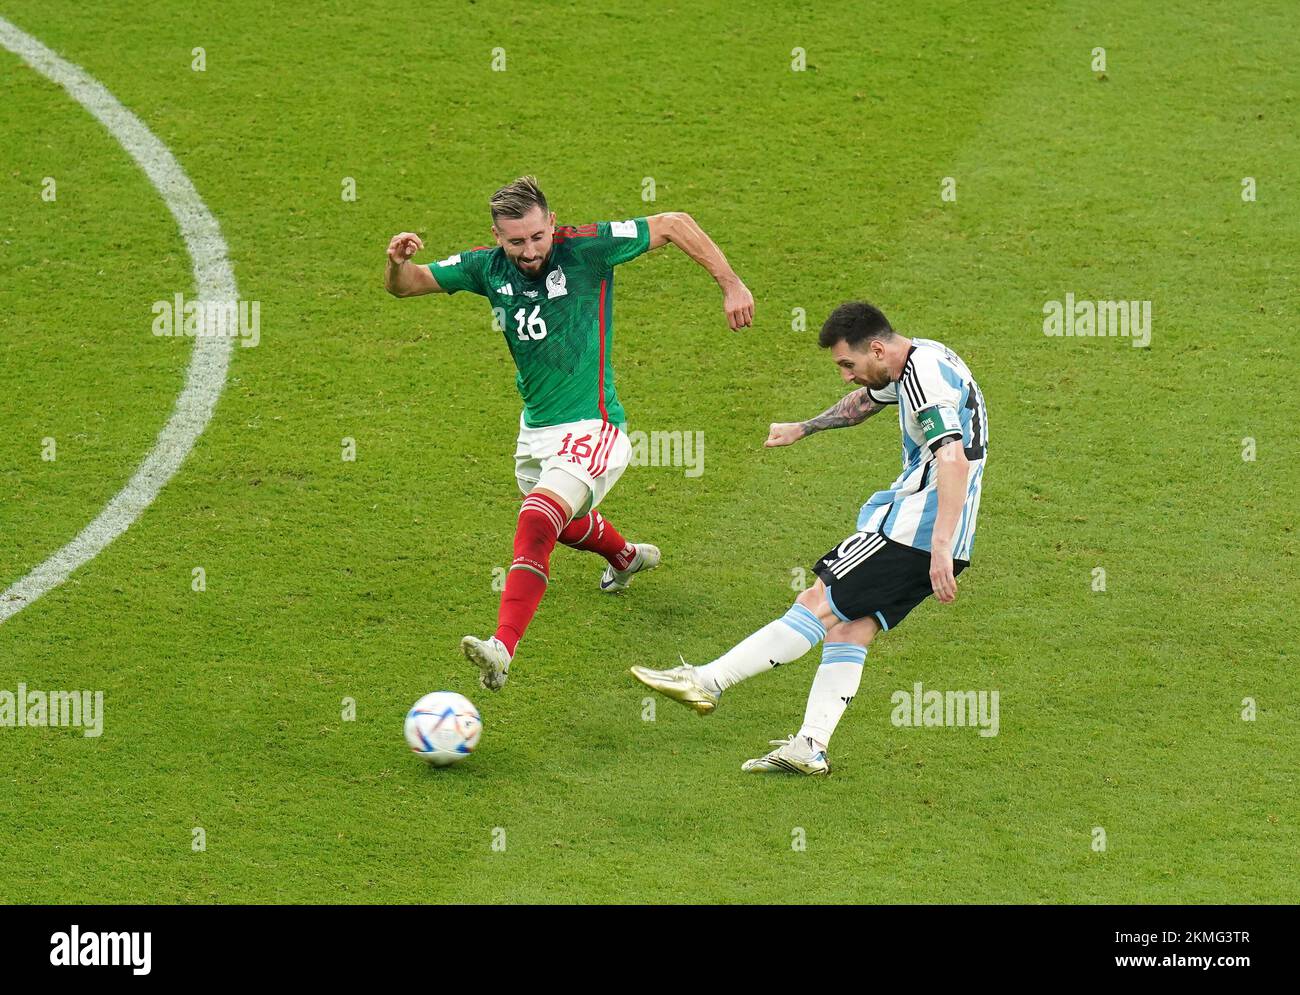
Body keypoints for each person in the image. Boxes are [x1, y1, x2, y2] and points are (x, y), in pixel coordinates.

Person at [385, 176, 753, 691]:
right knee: (557, 520)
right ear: (496, 237)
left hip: (595, 425)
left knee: (536, 519)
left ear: (551, 223)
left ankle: (502, 649)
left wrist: (730, 283)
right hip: (535, 429)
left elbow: (673, 223)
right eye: (516, 241)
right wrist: (397, 262)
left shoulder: (587, 249)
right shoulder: (484, 268)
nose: (530, 250)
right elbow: (408, 285)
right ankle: (624, 557)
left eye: (538, 236)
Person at [631, 301, 987, 775]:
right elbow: (864, 404)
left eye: (848, 364)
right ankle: (810, 746)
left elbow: (953, 459)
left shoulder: (923, 376)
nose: (846, 376)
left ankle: (707, 681)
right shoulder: (916, 361)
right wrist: (805, 427)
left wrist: (938, 546)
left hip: (914, 528)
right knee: (850, 626)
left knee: (817, 600)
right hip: (940, 532)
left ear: (877, 349)